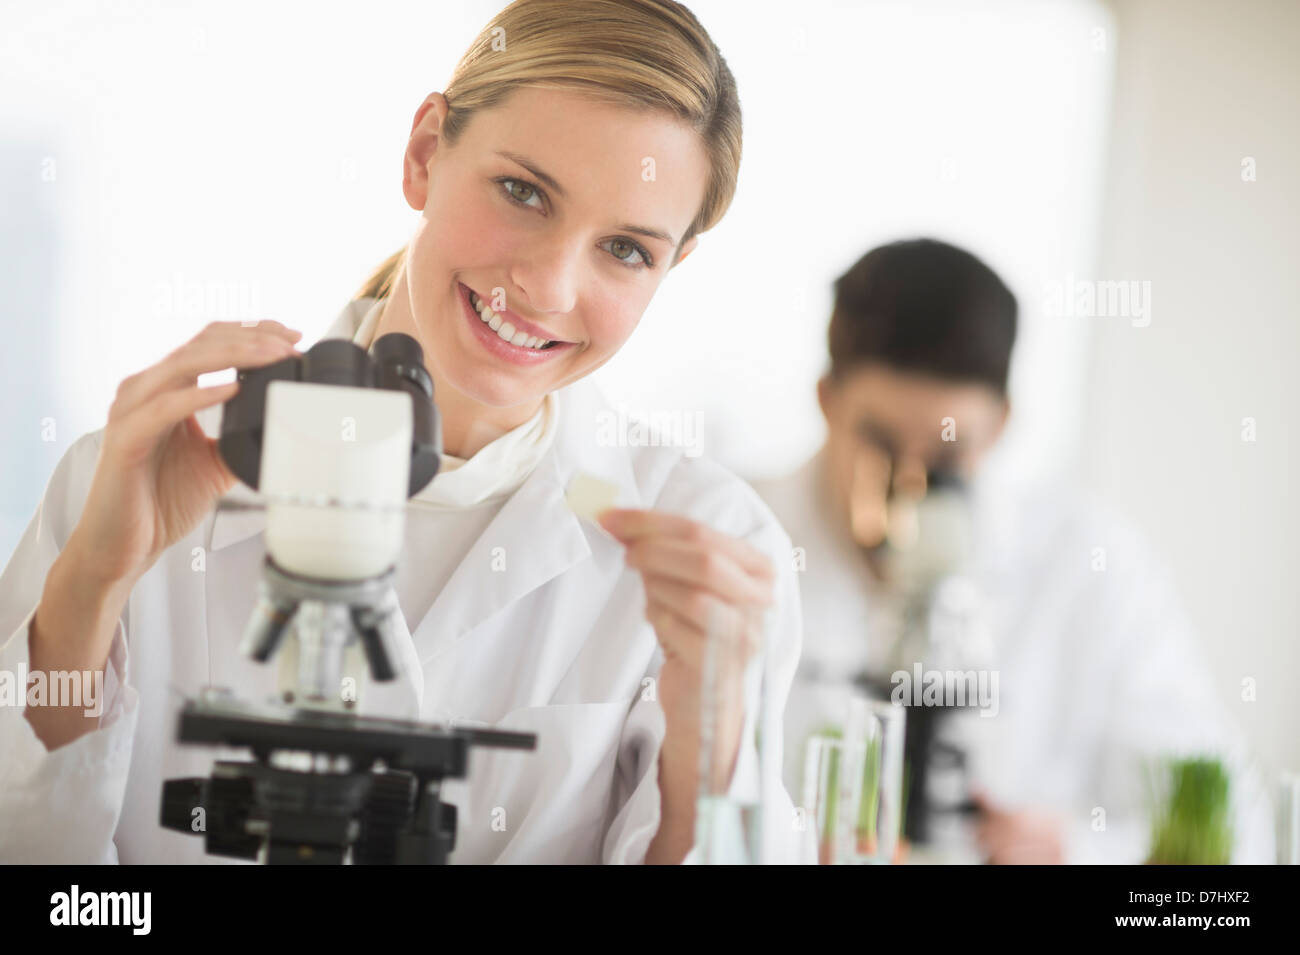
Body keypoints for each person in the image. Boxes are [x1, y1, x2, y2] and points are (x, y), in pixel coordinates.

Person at [0, 0, 809, 864]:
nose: (546, 286)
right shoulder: (136, 471)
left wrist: (713, 746)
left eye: (626, 250)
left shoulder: (711, 542)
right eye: (524, 192)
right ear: (425, 152)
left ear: (670, 265)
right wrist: (93, 580)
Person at [751, 238, 1274, 864]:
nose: (911, 490)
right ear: (826, 399)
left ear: (1001, 424)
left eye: (947, 457)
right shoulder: (737, 533)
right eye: (881, 445)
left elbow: (1236, 832)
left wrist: (1082, 852)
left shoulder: (1089, 564)